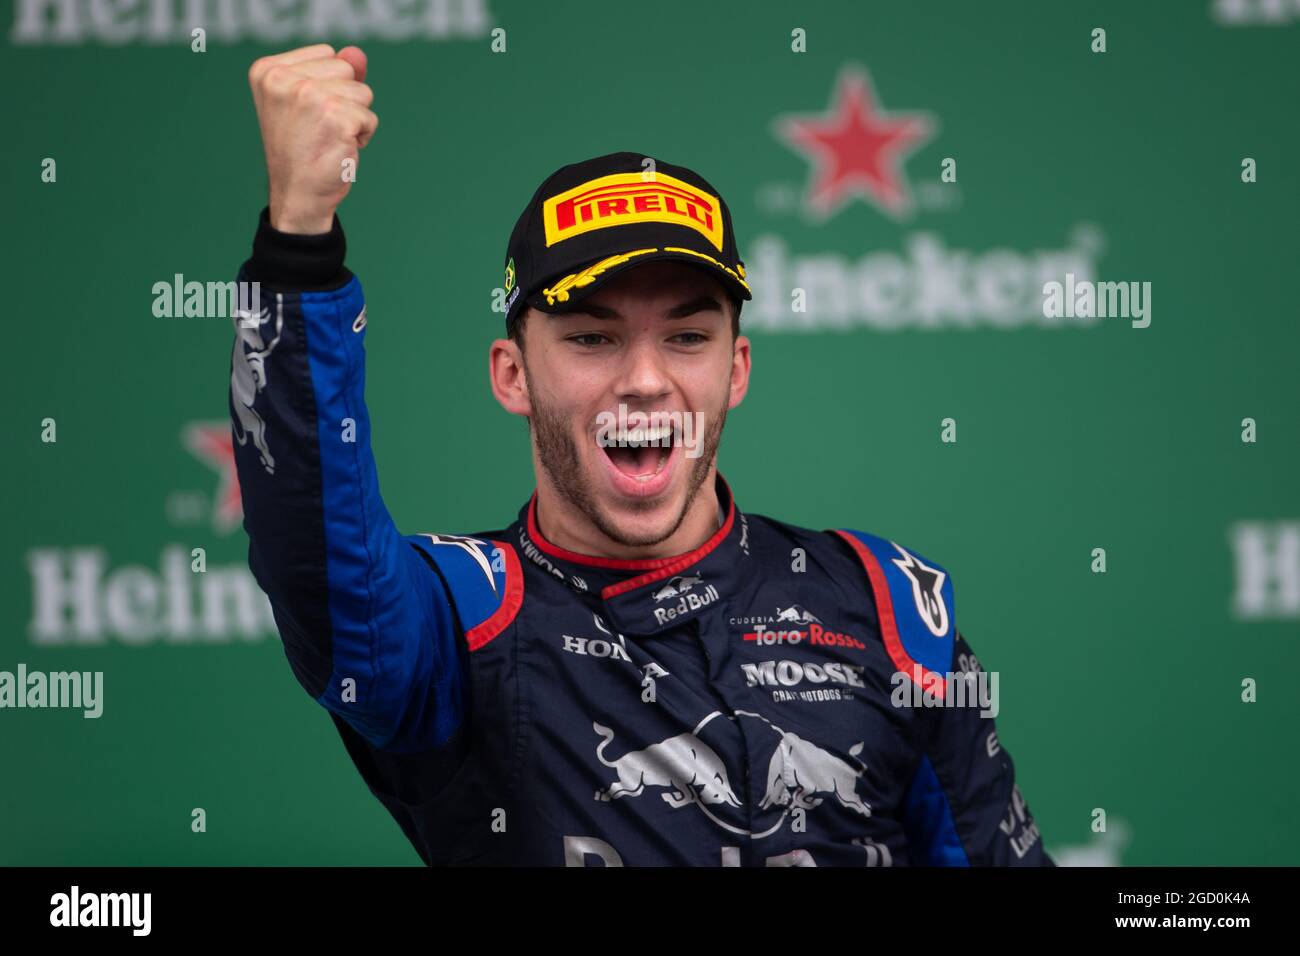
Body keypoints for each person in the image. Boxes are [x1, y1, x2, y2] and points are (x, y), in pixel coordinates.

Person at [231, 43, 1051, 867]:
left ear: (736, 369)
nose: (647, 380)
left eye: (687, 337)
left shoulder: (888, 609)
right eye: (593, 336)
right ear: (513, 375)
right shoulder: (457, 625)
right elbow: (320, 560)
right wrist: (299, 240)